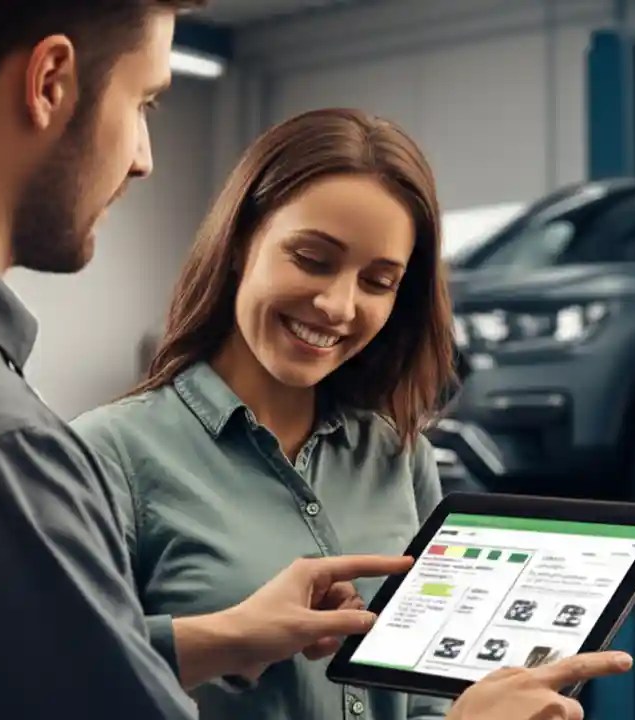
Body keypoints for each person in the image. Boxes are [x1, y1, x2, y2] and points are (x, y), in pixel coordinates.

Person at [0, 1, 632, 718]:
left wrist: (222, 635)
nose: (144, 157)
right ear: (51, 81)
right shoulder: (0, 445)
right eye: (145, 103)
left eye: (380, 279)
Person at [71, 107, 450, 720]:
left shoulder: (400, 456)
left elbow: (423, 702)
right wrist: (230, 637)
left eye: (378, 282)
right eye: (312, 258)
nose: (337, 305)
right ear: (242, 241)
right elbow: (46, 674)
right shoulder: (104, 455)